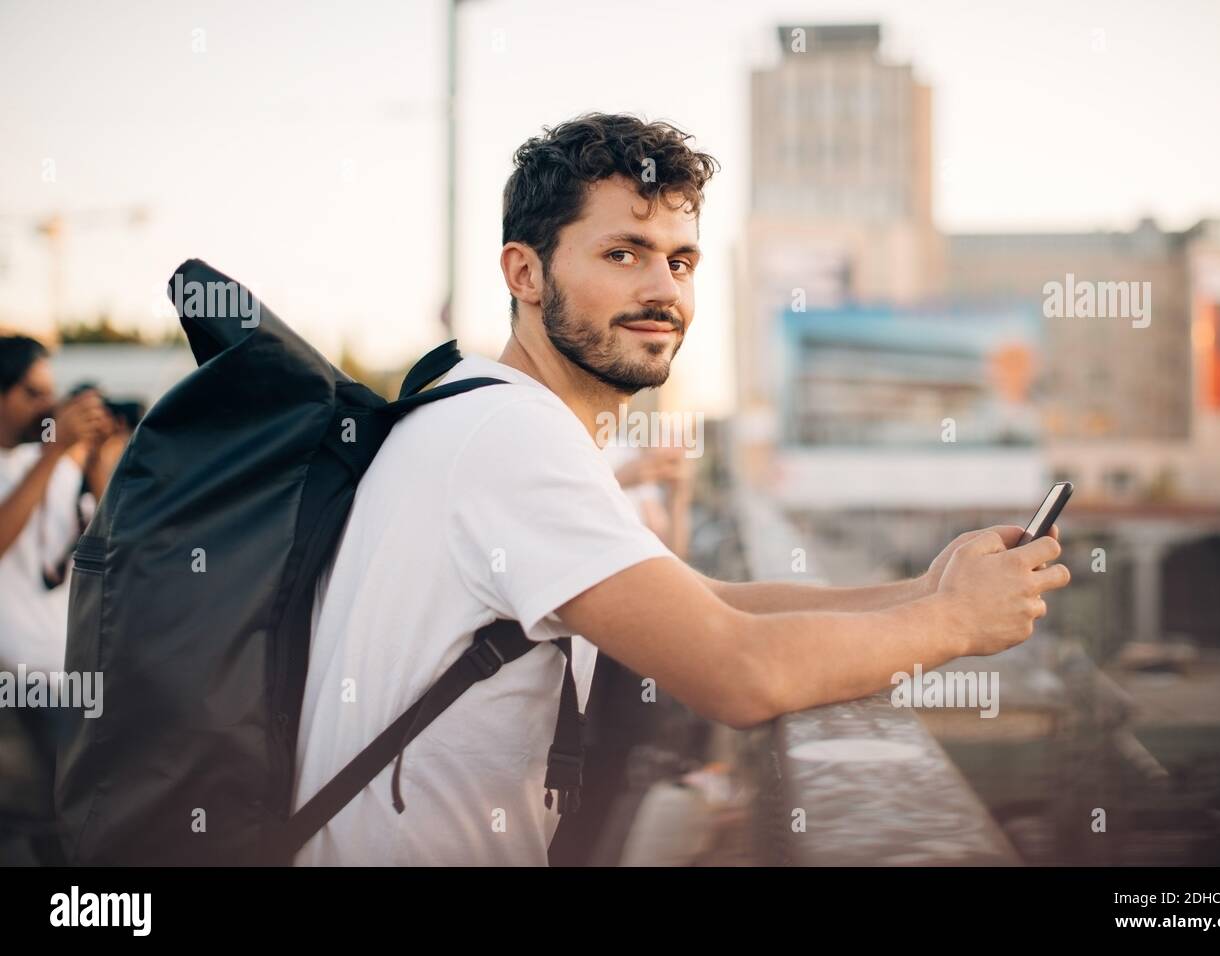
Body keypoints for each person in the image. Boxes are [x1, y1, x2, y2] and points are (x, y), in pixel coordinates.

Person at [291, 112, 1070, 866]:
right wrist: (955, 622)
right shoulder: (512, 439)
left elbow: (706, 603)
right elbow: (737, 671)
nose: (664, 290)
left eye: (682, 261)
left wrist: (921, 590)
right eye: (624, 254)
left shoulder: (474, 411)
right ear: (524, 272)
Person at [0, 336, 117, 674]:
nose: (48, 407)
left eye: (51, 393)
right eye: (34, 394)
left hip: (64, 665)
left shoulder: (50, 462)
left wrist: (96, 464)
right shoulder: (48, 459)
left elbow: (112, 542)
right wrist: (54, 450)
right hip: (15, 680)